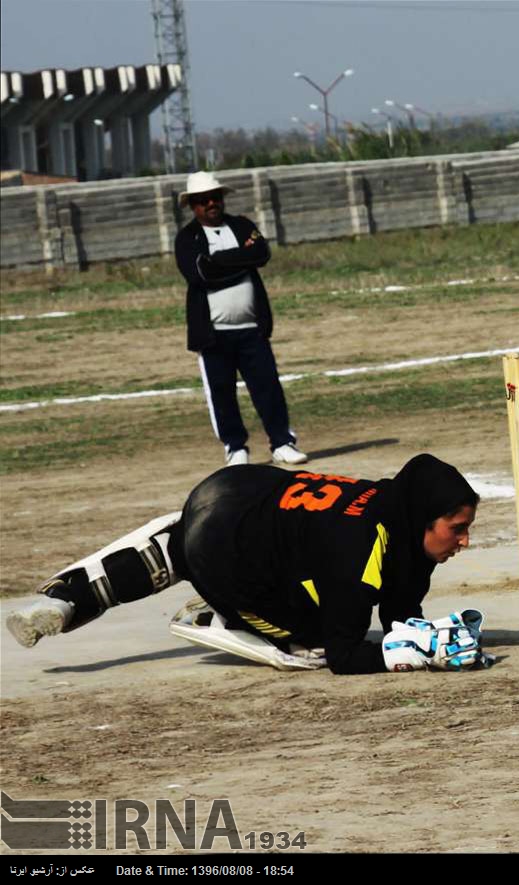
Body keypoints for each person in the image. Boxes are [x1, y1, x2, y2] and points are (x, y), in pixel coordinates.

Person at [5, 454, 492, 675]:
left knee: (192, 536)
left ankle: (68, 595)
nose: (465, 540)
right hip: (225, 545)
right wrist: (411, 656)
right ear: (423, 517)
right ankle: (220, 615)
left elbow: (400, 607)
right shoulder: (363, 546)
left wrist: (418, 631)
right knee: (316, 643)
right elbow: (345, 657)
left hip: (236, 487)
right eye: (457, 528)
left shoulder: (396, 508)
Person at [175, 170, 307, 468]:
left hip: (252, 329)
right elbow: (200, 272)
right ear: (192, 206)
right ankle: (236, 449)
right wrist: (241, 261)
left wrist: (220, 262)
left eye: (215, 197)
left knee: (268, 388)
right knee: (222, 394)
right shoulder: (187, 238)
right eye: (203, 200)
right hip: (213, 334)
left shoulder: (242, 225)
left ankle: (282, 443)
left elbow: (261, 253)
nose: (211, 203)